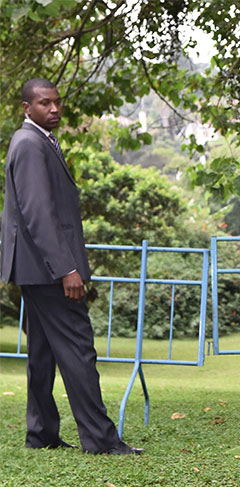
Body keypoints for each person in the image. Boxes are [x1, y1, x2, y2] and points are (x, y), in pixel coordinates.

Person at [0, 78, 142, 455]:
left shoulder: (37, 139)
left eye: (57, 102)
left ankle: (41, 433)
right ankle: (100, 440)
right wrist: (66, 269)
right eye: (45, 104)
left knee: (43, 353)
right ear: (27, 108)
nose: (55, 109)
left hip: (34, 268)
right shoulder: (30, 143)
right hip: (48, 270)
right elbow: (37, 213)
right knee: (79, 349)